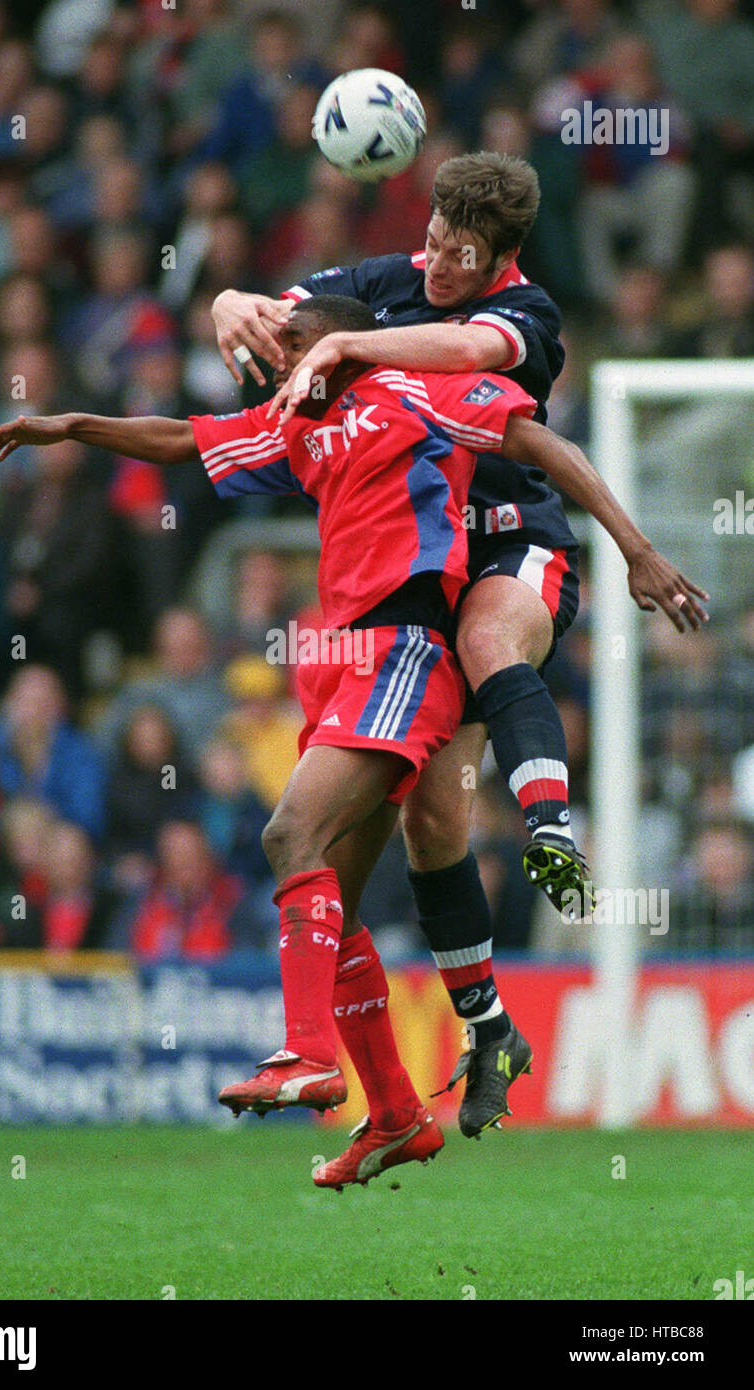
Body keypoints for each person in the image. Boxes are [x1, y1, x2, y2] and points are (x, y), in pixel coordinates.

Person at [0, 294, 704, 1187]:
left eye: (288, 342)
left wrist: (632, 547)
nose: (273, 356)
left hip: (405, 652)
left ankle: (308, 1056)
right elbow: (183, 439)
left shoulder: (411, 390)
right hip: (340, 666)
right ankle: (398, 1115)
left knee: (290, 835)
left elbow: (542, 445)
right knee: (333, 906)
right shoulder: (296, 425)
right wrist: (75, 426)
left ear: (334, 341)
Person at [211, 152, 708, 1137]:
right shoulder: (386, 280)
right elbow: (284, 317)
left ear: (502, 257)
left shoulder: (526, 318)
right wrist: (230, 298)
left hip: (513, 544)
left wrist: (637, 552)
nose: (434, 264)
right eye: (432, 240)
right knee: (431, 819)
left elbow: (488, 374)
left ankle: (550, 828)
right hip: (419, 573)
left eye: (460, 253)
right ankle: (487, 1029)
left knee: (490, 640)